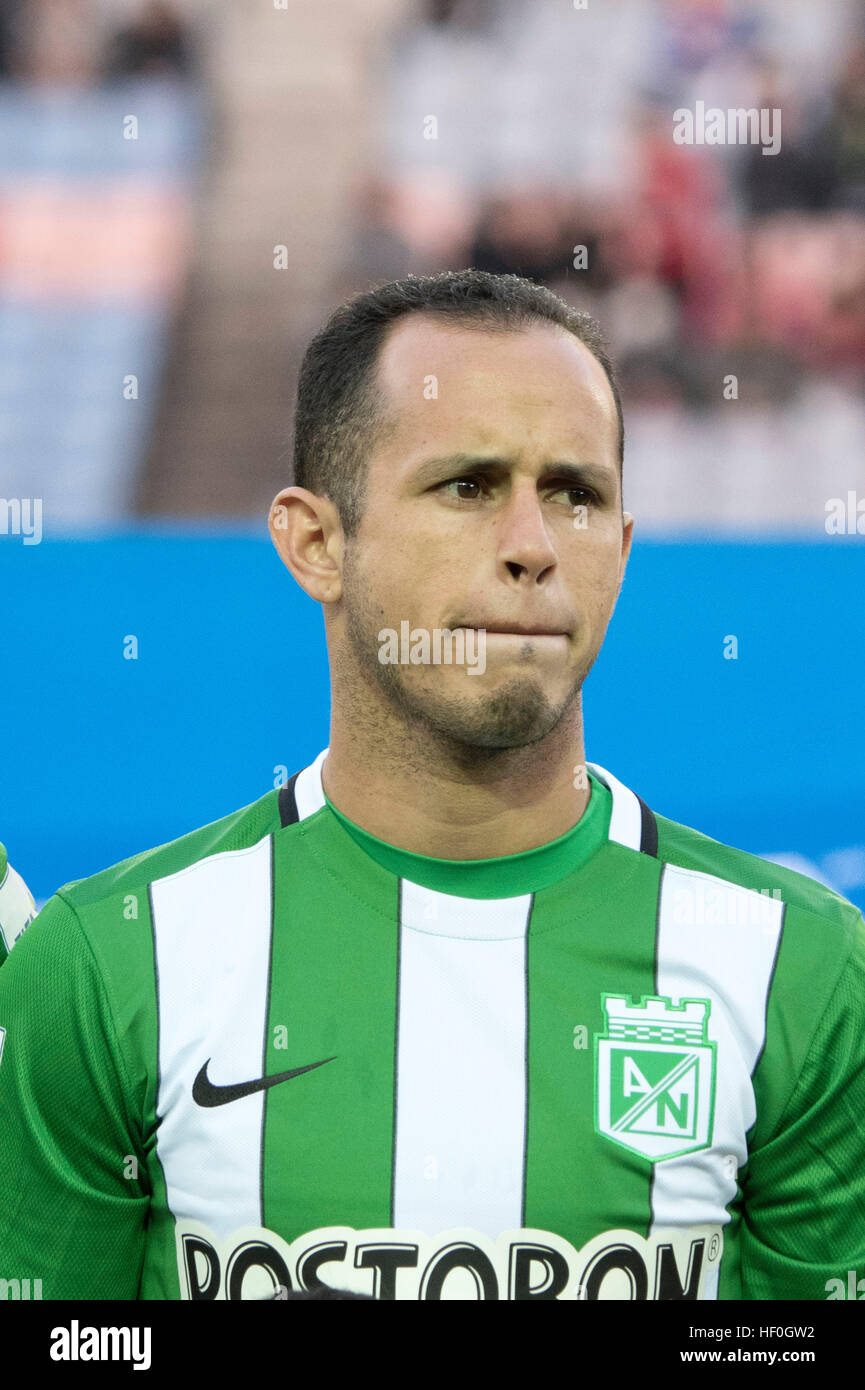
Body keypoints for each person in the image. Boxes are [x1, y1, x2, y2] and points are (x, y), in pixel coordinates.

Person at [0, 270, 862, 1300]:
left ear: (622, 551)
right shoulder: (109, 965)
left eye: (575, 496)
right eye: (467, 486)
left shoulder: (801, 971)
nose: (533, 548)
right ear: (315, 542)